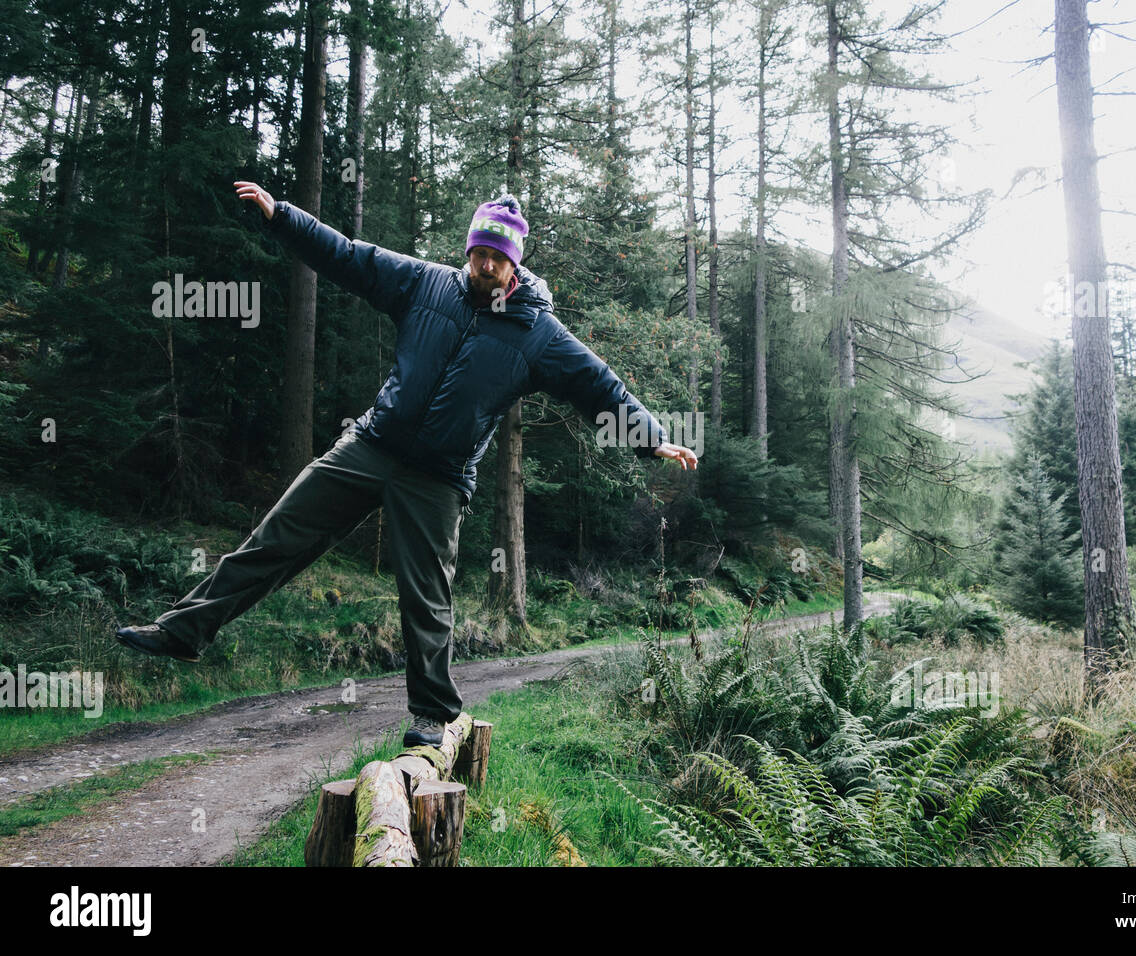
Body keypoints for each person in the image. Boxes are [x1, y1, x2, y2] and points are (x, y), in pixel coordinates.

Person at [115, 182, 699, 748]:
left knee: (426, 596)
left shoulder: (538, 333)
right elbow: (349, 258)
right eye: (480, 252)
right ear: (468, 249)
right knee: (277, 536)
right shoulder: (426, 283)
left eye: (499, 256)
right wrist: (283, 217)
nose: (486, 265)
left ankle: (433, 713)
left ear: (514, 263)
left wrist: (654, 440)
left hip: (438, 478)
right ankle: (184, 631)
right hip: (372, 444)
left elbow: (599, 386)